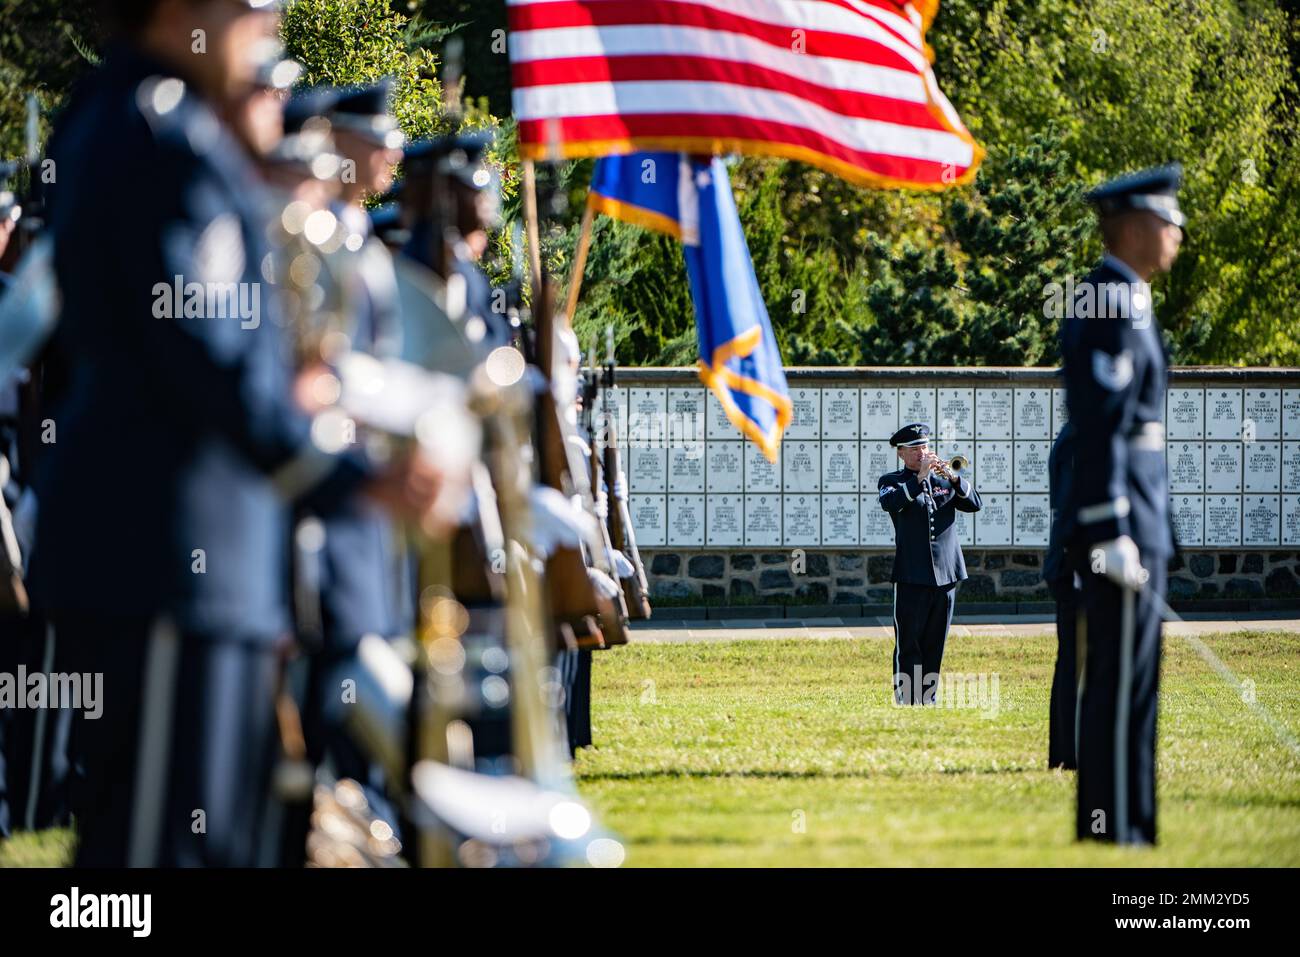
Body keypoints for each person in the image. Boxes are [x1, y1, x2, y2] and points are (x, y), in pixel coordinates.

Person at [31, 0, 448, 867]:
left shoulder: (151, 124)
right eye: (257, 8)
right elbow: (205, 359)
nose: (269, 26)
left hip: (200, 559)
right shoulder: (161, 138)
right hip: (164, 553)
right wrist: (348, 477)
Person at [1060, 164, 1184, 845]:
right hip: (1122, 520)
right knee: (1115, 680)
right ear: (1136, 228)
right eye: (1170, 224)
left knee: (1140, 686)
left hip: (1143, 515)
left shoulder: (1128, 298)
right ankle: (1110, 828)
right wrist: (1110, 525)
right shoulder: (1105, 300)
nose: (1176, 238)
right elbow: (1103, 420)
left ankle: (1134, 822)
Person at [877, 423, 982, 705]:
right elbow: (891, 503)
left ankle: (927, 697)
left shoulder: (943, 480)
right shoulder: (892, 481)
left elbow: (974, 503)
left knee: (936, 642)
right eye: (914, 449)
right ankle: (907, 698)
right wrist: (919, 478)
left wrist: (954, 478)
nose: (922, 453)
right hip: (912, 575)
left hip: (947, 574)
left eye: (924, 446)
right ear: (901, 454)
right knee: (909, 642)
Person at [1045, 421, 1080, 770]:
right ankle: (1069, 752)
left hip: (1083, 563)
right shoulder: (1077, 438)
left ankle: (1072, 751)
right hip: (1078, 566)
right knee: (1075, 661)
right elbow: (1072, 509)